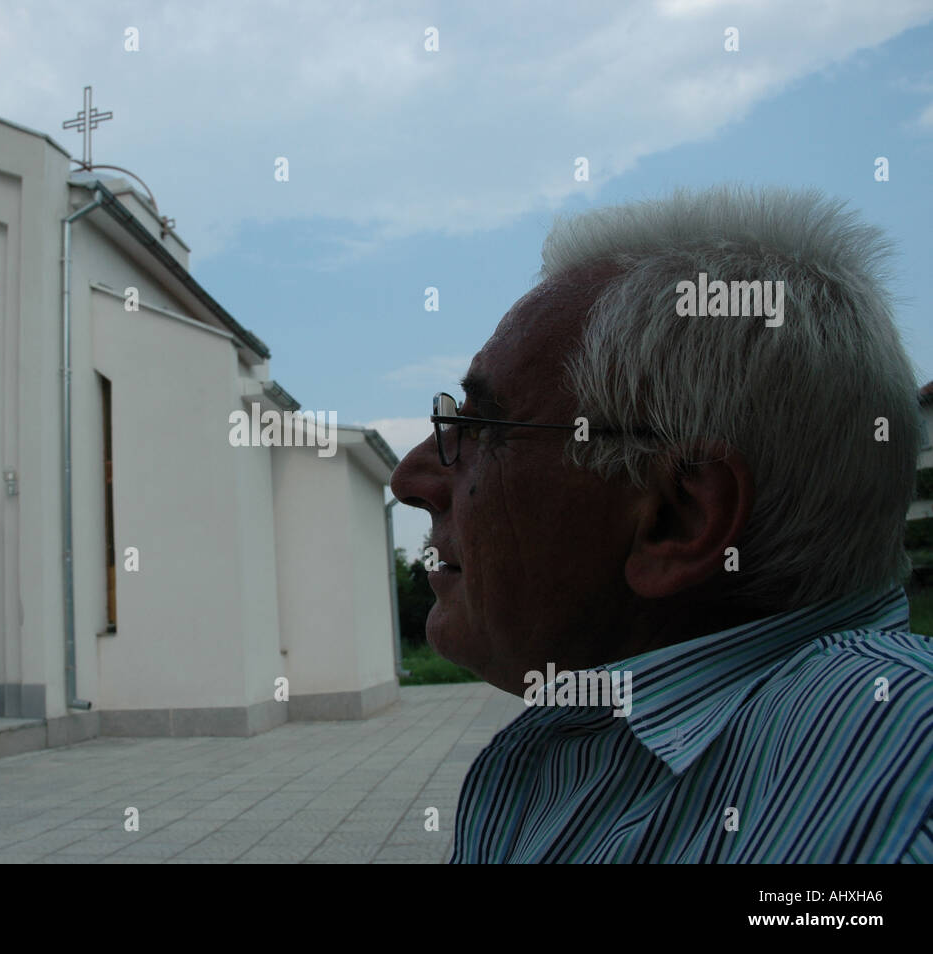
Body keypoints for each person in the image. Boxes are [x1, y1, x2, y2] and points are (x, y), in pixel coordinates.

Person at [389, 186, 933, 862]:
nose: (410, 480)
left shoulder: (902, 792)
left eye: (480, 428)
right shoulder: (586, 736)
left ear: (678, 516)